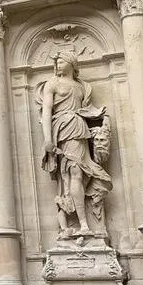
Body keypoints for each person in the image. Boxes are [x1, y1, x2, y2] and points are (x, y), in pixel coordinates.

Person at [38, 51, 112, 237]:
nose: (58, 64)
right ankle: (83, 223)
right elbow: (46, 111)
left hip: (79, 128)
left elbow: (85, 110)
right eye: (56, 61)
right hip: (64, 128)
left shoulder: (82, 86)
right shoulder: (52, 84)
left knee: (82, 175)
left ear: (72, 63)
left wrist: (100, 117)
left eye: (62, 61)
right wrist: (48, 139)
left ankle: (81, 219)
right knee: (74, 173)